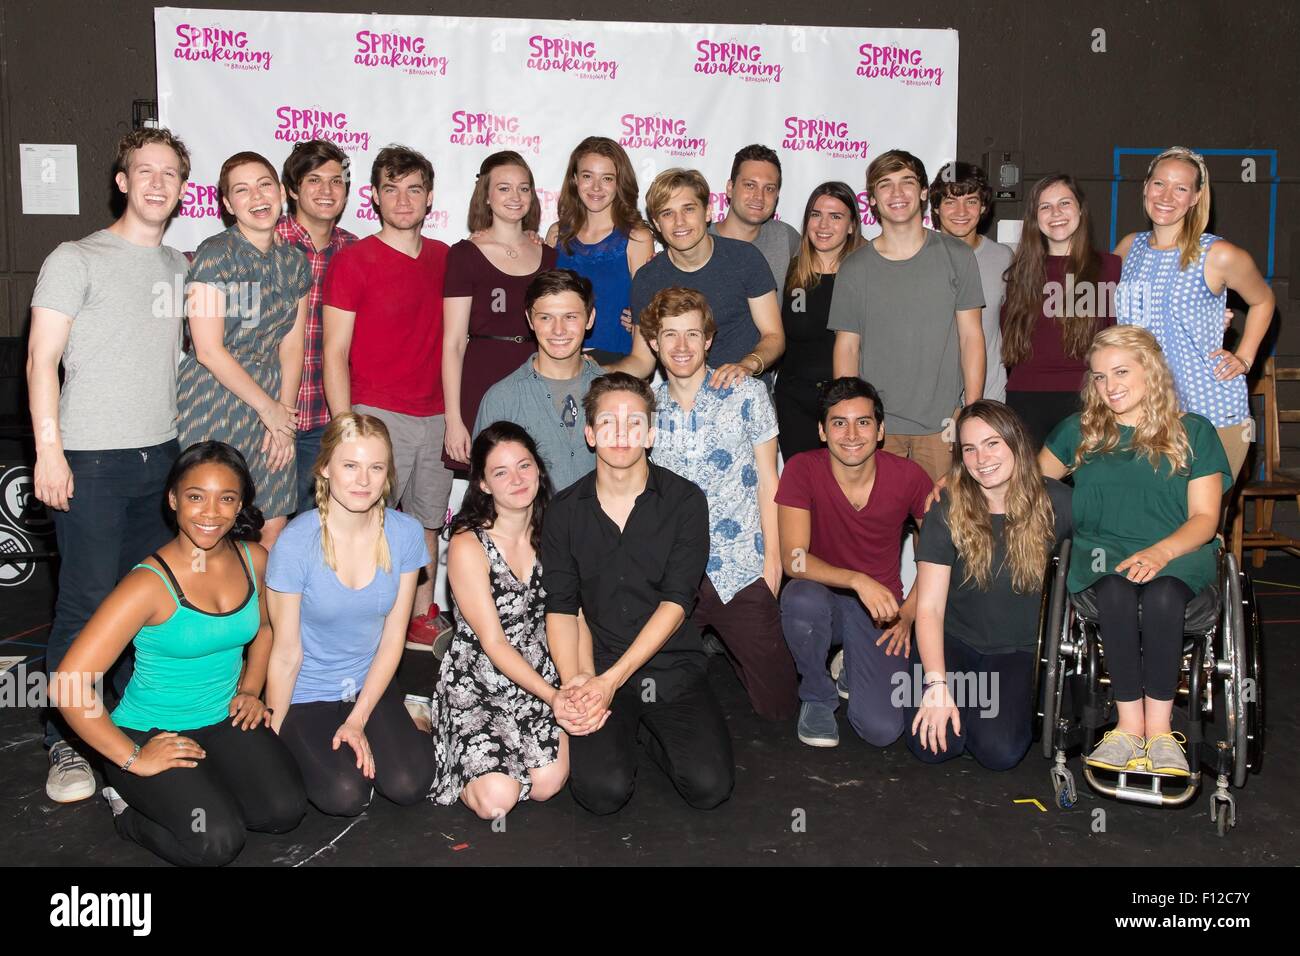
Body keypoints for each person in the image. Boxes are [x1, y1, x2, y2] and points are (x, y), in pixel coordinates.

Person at [28, 127, 192, 803]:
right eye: (143, 171)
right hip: (90, 463)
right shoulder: (75, 258)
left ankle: (119, 730)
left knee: (142, 610)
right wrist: (48, 450)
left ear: (183, 188)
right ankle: (63, 739)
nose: (157, 182)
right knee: (86, 606)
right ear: (121, 181)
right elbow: (40, 360)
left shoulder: (180, 266)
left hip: (163, 460)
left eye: (170, 173)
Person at [51, 441, 306, 866]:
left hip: (222, 719)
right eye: (195, 497)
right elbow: (69, 683)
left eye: (226, 498)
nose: (210, 513)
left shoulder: (253, 558)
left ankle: (194, 793)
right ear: (172, 500)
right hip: (152, 731)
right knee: (217, 840)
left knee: (283, 812)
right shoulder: (147, 583)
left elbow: (263, 627)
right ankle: (128, 811)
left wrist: (251, 687)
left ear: (240, 503)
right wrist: (133, 757)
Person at [1040, 326, 1231, 777]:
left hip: (1178, 552)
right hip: (1103, 559)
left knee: (1163, 594)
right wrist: (965, 481)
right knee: (1116, 591)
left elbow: (1205, 519)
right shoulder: (1080, 432)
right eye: (1100, 376)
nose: (1110, 386)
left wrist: (1161, 553)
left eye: (1121, 372)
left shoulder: (1194, 432)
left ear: (1151, 371)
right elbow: (1027, 485)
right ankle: (1127, 727)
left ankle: (1162, 733)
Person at [542, 373, 732, 814]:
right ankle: (628, 732)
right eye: (608, 422)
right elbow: (561, 608)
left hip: (670, 664)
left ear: (650, 433)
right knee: (600, 794)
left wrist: (612, 681)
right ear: (590, 434)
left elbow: (677, 602)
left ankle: (646, 733)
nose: (621, 433)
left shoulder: (685, 502)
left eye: (634, 423)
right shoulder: (565, 511)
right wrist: (577, 682)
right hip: (599, 665)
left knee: (709, 788)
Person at [265, 413, 436, 815]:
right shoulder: (295, 543)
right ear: (325, 468)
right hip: (308, 693)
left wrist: (358, 720)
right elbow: (286, 652)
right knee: (346, 794)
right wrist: (274, 732)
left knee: (410, 784)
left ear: (388, 474)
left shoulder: (405, 533)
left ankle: (411, 720)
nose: (364, 480)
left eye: (376, 467)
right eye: (350, 465)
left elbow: (395, 638)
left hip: (367, 685)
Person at [643, 287, 797, 720]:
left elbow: (770, 481)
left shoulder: (747, 394)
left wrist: (773, 564)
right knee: (657, 701)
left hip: (741, 568)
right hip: (672, 577)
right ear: (654, 342)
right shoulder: (645, 408)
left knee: (779, 708)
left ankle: (731, 648)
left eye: (692, 334)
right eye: (670, 335)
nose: (681, 346)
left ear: (708, 339)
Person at [322, 145, 451, 648]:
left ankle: (420, 621)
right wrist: (345, 430)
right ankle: (360, 629)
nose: (403, 199)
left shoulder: (446, 258)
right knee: (367, 524)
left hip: (438, 416)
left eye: (413, 188)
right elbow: (334, 352)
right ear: (374, 197)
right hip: (375, 415)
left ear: (430, 197)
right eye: (391, 189)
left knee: (425, 525)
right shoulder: (354, 261)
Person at [907, 401, 1071, 770]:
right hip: (954, 643)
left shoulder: (1058, 502)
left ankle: (980, 708)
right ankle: (960, 700)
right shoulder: (946, 508)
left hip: (1019, 652)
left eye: (993, 443)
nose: (982, 458)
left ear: (1016, 444)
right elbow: (929, 609)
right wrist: (936, 685)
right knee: (934, 746)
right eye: (970, 449)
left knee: (999, 752)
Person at [777, 377, 933, 748]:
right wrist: (857, 579)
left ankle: (853, 662)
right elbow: (793, 560)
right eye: (838, 422)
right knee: (800, 599)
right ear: (821, 430)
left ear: (880, 431)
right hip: (823, 598)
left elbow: (937, 554)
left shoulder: (909, 476)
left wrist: (910, 612)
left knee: (881, 730)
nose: (851, 434)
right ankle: (816, 695)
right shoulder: (802, 469)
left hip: (881, 609)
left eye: (863, 422)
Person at [1115, 146, 1276, 480]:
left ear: (1196, 197)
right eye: (1159, 184)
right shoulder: (1130, 247)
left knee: (1203, 525)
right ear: (1146, 186)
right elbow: (1105, 315)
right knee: (1148, 523)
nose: (1166, 196)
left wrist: (1244, 357)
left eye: (1181, 188)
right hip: (1140, 412)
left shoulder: (1218, 254)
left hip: (1209, 410)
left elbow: (1264, 300)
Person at [432, 423, 568, 818]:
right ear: (483, 484)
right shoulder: (468, 544)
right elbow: (493, 643)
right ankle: (439, 728)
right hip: (481, 675)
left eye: (524, 466)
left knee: (545, 786)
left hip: (542, 668)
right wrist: (553, 697)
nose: (517, 480)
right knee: (497, 802)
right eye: (501, 472)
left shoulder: (557, 531)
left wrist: (574, 681)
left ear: (539, 470)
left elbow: (574, 615)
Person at [178, 151, 310, 551]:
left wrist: (282, 420)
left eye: (264, 184)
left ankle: (260, 615)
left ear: (282, 193)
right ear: (227, 204)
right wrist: (267, 409)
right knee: (211, 520)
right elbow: (208, 349)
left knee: (274, 521)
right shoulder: (215, 253)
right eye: (242, 189)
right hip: (214, 397)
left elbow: (293, 345)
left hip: (272, 396)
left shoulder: (295, 261)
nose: (257, 196)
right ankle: (207, 611)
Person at [830, 149, 985, 482]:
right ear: (872, 199)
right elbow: (847, 348)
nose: (897, 194)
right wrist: (853, 419)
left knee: (943, 528)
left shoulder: (957, 256)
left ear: (924, 192)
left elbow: (971, 338)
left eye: (907, 183)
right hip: (878, 428)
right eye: (885, 185)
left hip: (943, 427)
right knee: (873, 528)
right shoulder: (854, 268)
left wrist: (970, 414)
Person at [615, 168, 784, 390]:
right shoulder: (647, 279)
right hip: (683, 402)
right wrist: (594, 371)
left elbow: (774, 336)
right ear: (656, 224)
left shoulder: (745, 258)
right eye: (667, 213)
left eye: (688, 209)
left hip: (744, 395)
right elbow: (642, 360)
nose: (679, 222)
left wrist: (746, 366)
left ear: (707, 212)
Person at [443, 151, 558, 468]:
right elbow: (453, 343)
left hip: (539, 378)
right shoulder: (464, 254)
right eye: (504, 187)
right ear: (487, 196)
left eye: (523, 188)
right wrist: (454, 419)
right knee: (487, 485)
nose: (515, 196)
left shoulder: (549, 256)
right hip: (482, 379)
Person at [1001, 174, 1120, 448]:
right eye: (1045, 206)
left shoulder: (1111, 268)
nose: (1056, 213)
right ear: (1034, 217)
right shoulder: (1018, 273)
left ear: (1080, 209)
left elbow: (1140, 323)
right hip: (1026, 400)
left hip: (1088, 398)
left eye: (1064, 203)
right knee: (1033, 489)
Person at [276, 140, 358, 513]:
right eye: (314, 180)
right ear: (292, 189)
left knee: (323, 537)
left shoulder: (356, 253)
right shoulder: (267, 244)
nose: (327, 190)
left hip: (329, 422)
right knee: (267, 532)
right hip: (272, 418)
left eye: (336, 181)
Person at [473, 269, 605, 491]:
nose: (558, 330)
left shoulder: (612, 393)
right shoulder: (502, 398)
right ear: (530, 320)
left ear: (590, 318)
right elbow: (482, 485)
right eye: (546, 317)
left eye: (570, 316)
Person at [774, 181, 865, 459]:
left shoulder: (866, 274)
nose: (823, 225)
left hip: (848, 401)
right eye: (816, 214)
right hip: (794, 403)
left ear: (851, 225)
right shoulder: (789, 271)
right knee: (801, 488)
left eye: (835, 216)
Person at [546, 136, 654, 363]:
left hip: (616, 364)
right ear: (575, 179)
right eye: (587, 176)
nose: (596, 187)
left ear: (619, 183)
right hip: (558, 361)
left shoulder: (637, 238)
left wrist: (641, 319)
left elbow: (647, 314)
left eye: (607, 178)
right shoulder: (557, 234)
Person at [930, 162, 1014, 403]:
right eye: (950, 201)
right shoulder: (918, 257)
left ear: (984, 206)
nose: (961, 211)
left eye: (971, 201)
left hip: (990, 396)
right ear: (935, 208)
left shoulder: (1003, 258)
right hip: (931, 403)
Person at [709, 144, 802, 290]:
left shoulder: (785, 237)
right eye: (750, 185)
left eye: (769, 189)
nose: (759, 197)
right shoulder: (700, 241)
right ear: (730, 188)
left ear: (777, 195)